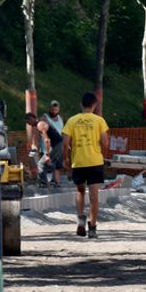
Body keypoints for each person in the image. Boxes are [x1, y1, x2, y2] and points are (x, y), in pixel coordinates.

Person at [61, 92, 110, 239]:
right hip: (95, 161)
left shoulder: (72, 121)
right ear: (94, 105)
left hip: (79, 161)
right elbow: (105, 142)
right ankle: (93, 228)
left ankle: (80, 220)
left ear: (81, 105)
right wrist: (103, 155)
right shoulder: (99, 121)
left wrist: (66, 159)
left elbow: (65, 143)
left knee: (80, 191)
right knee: (94, 195)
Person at [25, 112, 63, 188]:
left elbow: (47, 141)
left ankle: (44, 183)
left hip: (56, 145)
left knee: (41, 164)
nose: (29, 124)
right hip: (58, 144)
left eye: (28, 122)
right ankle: (54, 182)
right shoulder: (39, 125)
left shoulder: (40, 125)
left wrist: (48, 155)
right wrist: (30, 156)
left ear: (32, 119)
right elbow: (36, 145)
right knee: (52, 164)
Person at [42, 100, 65, 185]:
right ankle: (45, 183)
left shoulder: (60, 118)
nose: (54, 111)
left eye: (56, 110)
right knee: (47, 166)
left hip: (58, 146)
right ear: (50, 108)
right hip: (48, 146)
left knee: (57, 166)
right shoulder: (45, 117)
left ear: (58, 110)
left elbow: (63, 132)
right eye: (52, 109)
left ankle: (56, 183)